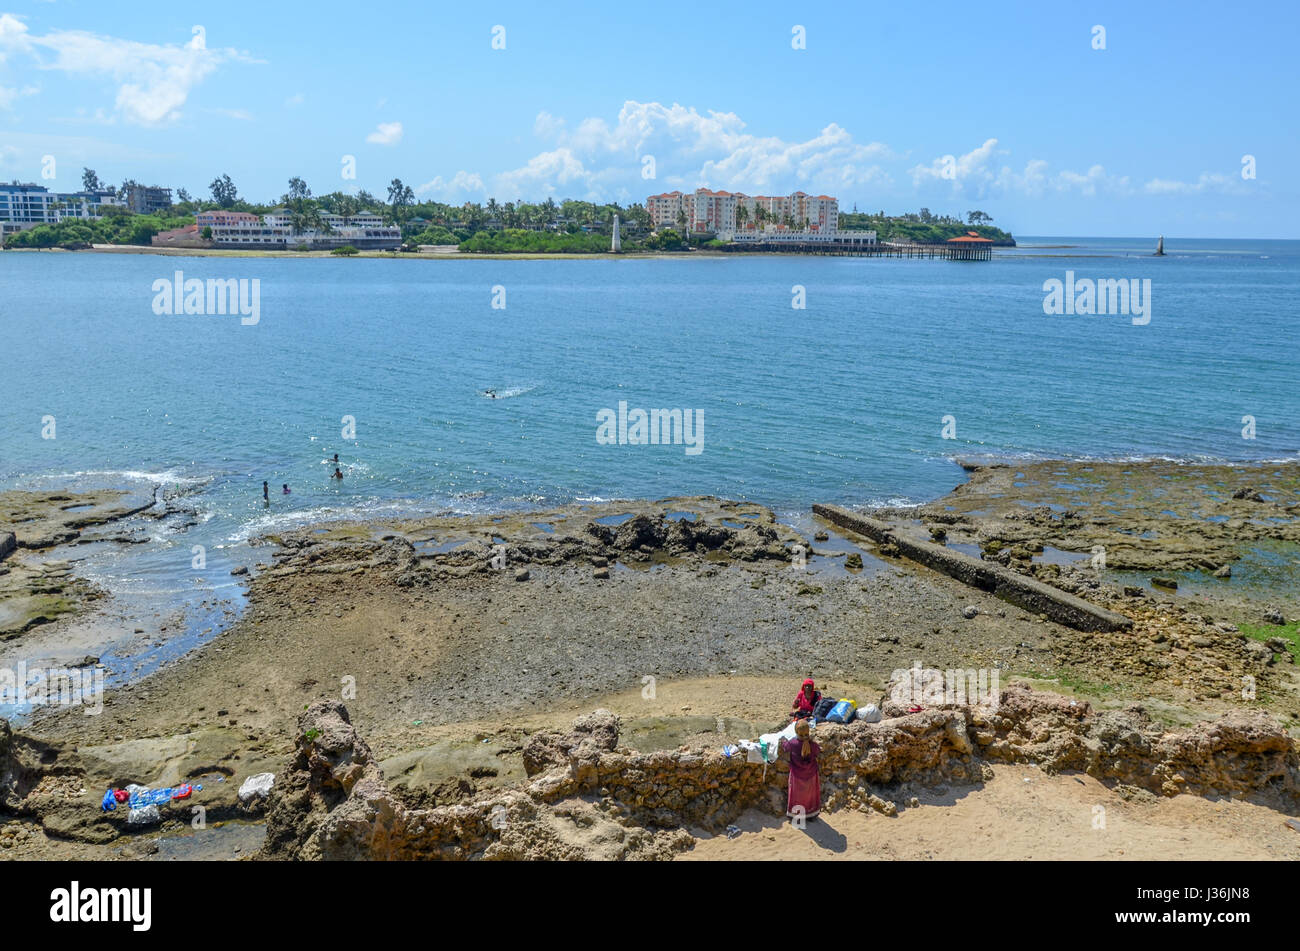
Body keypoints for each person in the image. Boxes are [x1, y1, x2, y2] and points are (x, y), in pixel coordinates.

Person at [784, 718, 821, 822]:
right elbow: (818, 751)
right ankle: (811, 814)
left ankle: (797, 817)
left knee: (797, 796)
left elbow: (784, 747)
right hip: (811, 774)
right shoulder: (813, 745)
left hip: (797, 775)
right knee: (810, 795)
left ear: (796, 731)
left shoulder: (792, 744)